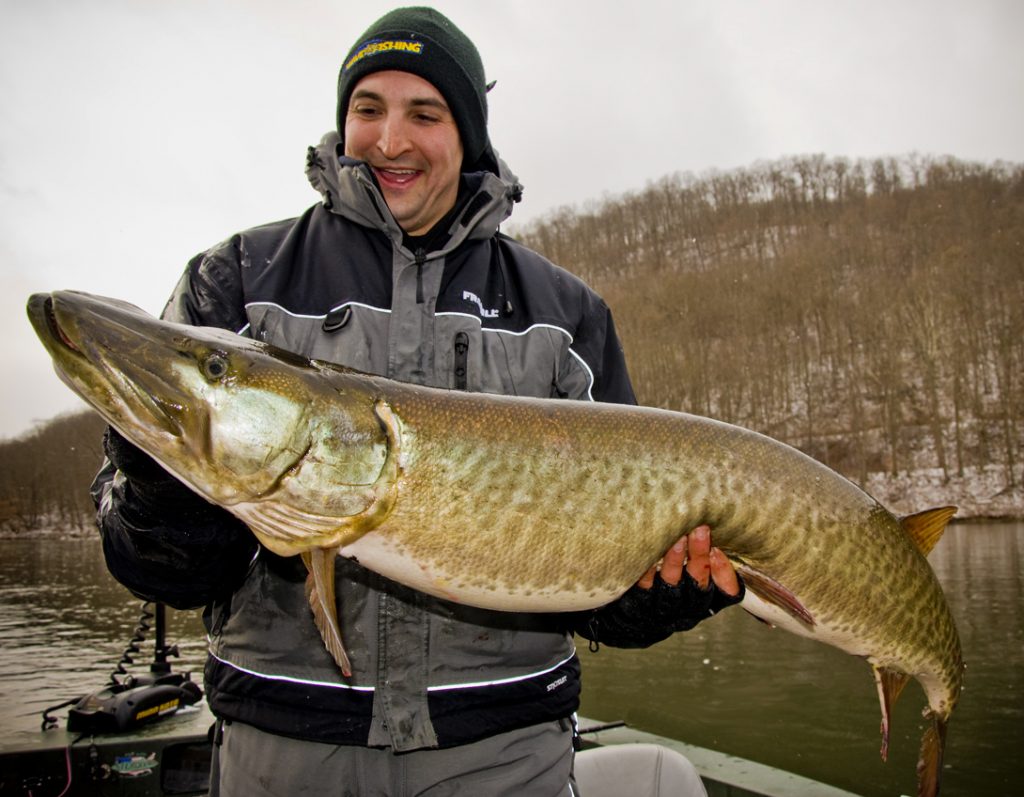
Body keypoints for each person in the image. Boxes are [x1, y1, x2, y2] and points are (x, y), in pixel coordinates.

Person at [92, 7, 743, 795]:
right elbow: (163, 571)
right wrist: (160, 471)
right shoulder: (235, 282)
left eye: (424, 113)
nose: (390, 140)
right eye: (368, 109)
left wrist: (666, 593)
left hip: (503, 755)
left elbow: (604, 609)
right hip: (282, 751)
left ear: (467, 134)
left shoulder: (566, 317)